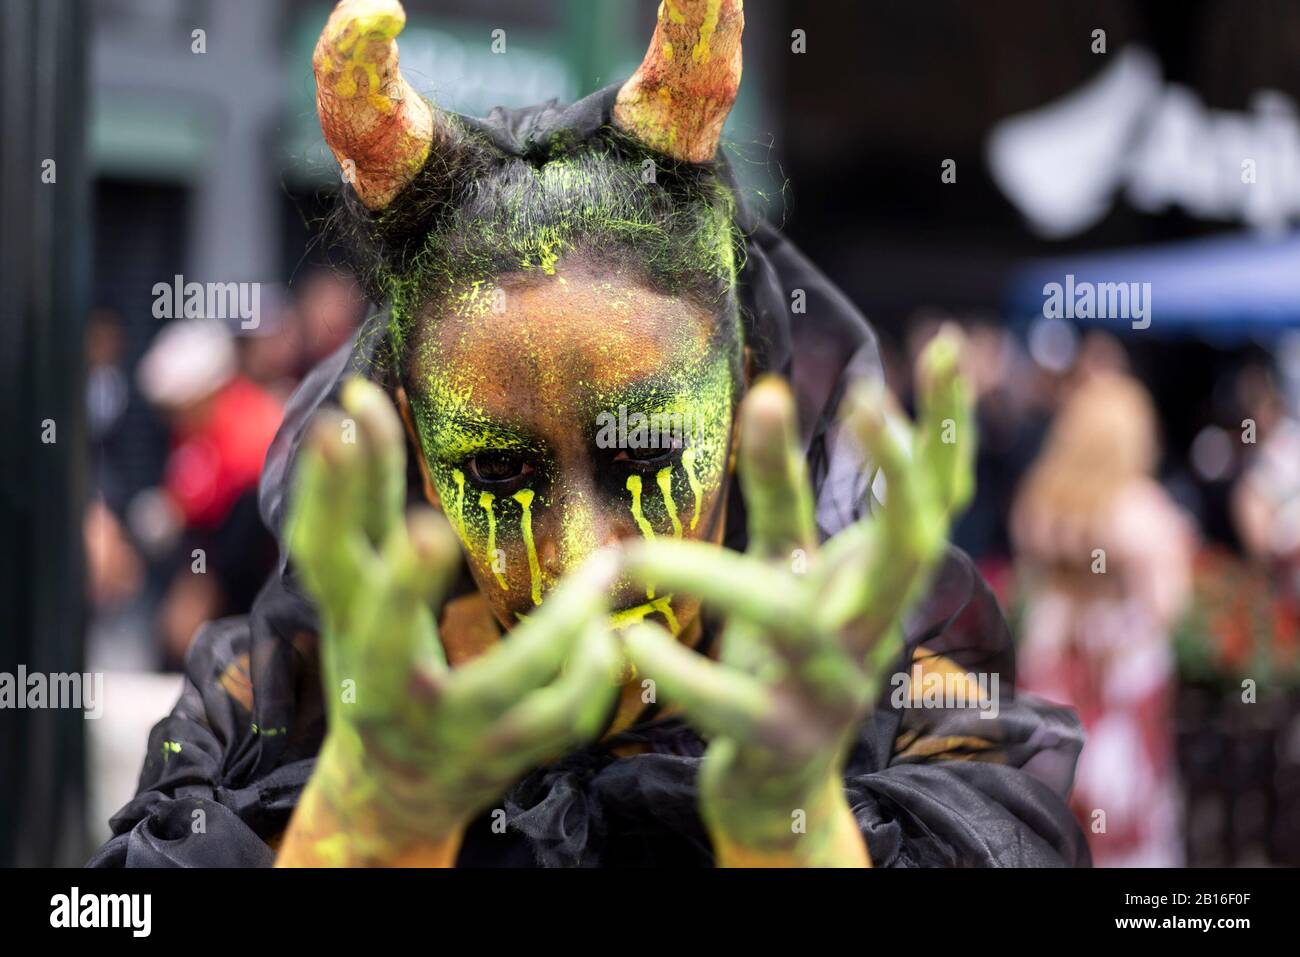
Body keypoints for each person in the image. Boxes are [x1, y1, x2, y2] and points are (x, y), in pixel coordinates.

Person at [91, 0, 1086, 868]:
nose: (580, 560)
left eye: (643, 457)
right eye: (494, 467)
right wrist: (361, 840)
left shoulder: (905, 697)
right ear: (416, 454)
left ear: (742, 406)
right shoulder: (271, 702)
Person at [1012, 370, 1194, 867]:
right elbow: (1170, 608)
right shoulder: (1143, 511)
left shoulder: (1040, 506)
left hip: (1054, 694)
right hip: (1120, 704)